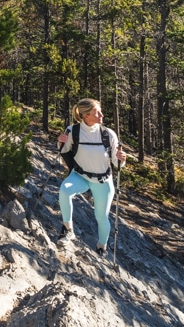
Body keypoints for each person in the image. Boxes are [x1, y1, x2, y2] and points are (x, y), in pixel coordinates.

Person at [56, 98, 126, 254]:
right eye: (97, 112)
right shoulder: (73, 131)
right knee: (65, 190)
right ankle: (68, 230)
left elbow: (117, 164)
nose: (101, 115)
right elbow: (63, 149)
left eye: (100, 111)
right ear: (85, 115)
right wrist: (60, 142)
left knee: (101, 217)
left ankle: (101, 247)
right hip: (80, 176)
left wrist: (121, 159)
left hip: (103, 181)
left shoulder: (108, 134)